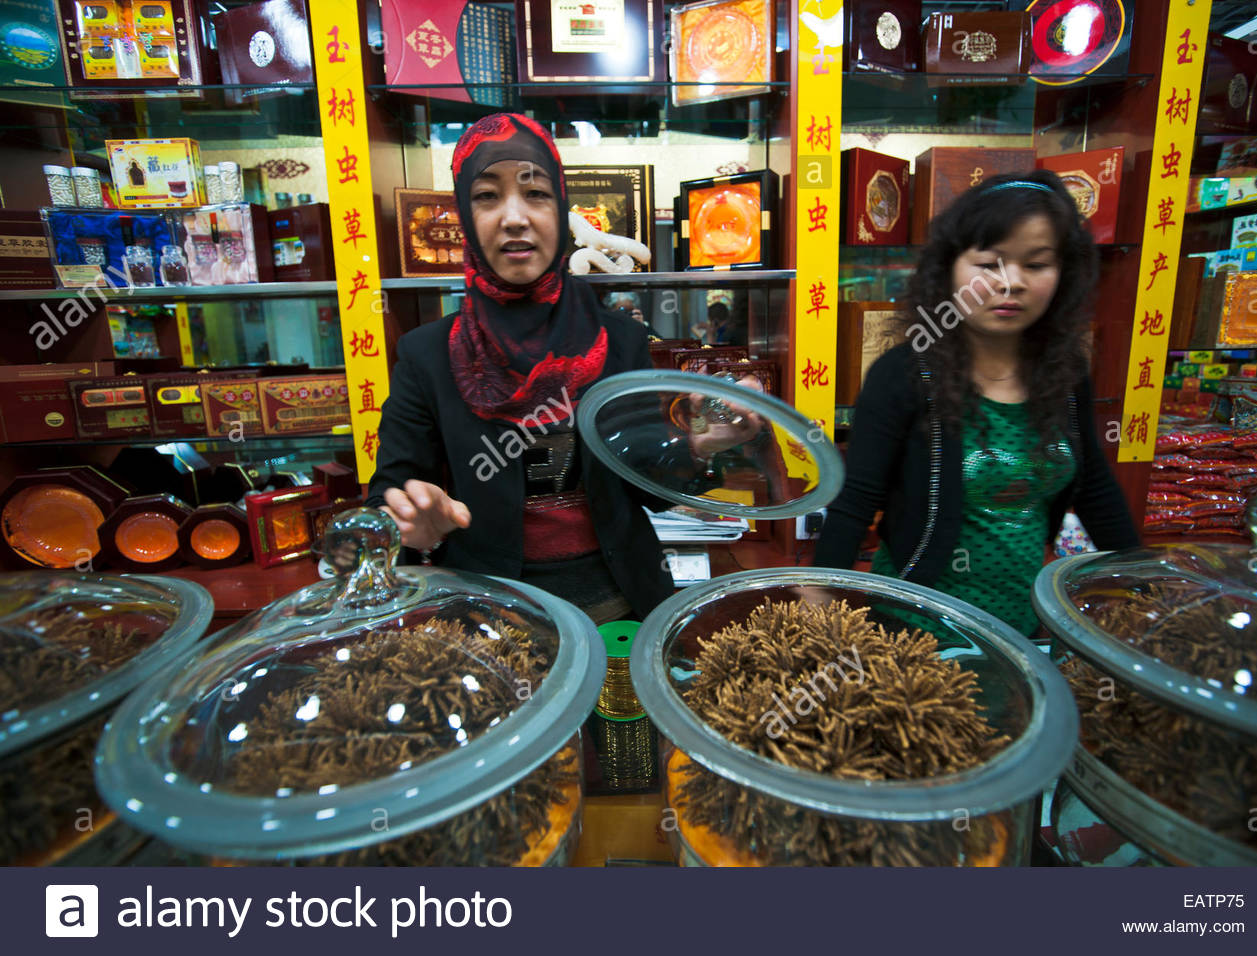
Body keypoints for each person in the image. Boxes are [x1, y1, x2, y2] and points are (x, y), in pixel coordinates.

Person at [365, 113, 754, 623]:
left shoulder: (620, 342)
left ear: (563, 207)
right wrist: (409, 522)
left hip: (617, 599)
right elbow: (387, 499)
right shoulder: (427, 355)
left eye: (536, 194)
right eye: (486, 195)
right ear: (462, 211)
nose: (514, 217)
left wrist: (700, 445)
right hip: (489, 612)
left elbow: (644, 485)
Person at [814, 169, 1139, 636]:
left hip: (1025, 627)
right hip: (915, 629)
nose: (1012, 282)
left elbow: (1097, 491)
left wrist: (1139, 584)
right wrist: (822, 593)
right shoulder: (904, 374)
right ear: (950, 269)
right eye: (989, 264)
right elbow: (856, 499)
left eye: (1037, 263)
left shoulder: (1065, 376)